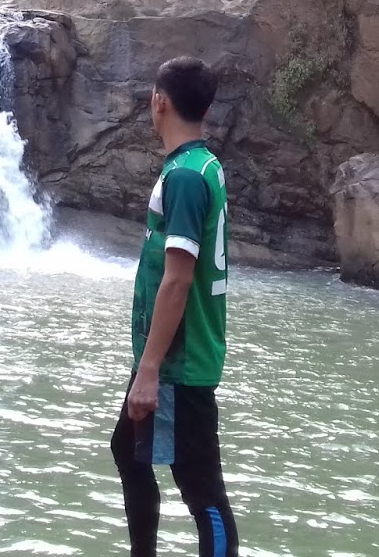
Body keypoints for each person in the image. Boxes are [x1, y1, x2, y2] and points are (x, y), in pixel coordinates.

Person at [111, 56, 238, 557]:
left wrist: (148, 369)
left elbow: (178, 280)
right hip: (174, 357)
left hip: (177, 363)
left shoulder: (185, 177)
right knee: (130, 454)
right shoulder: (202, 165)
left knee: (203, 492)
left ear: (159, 102)